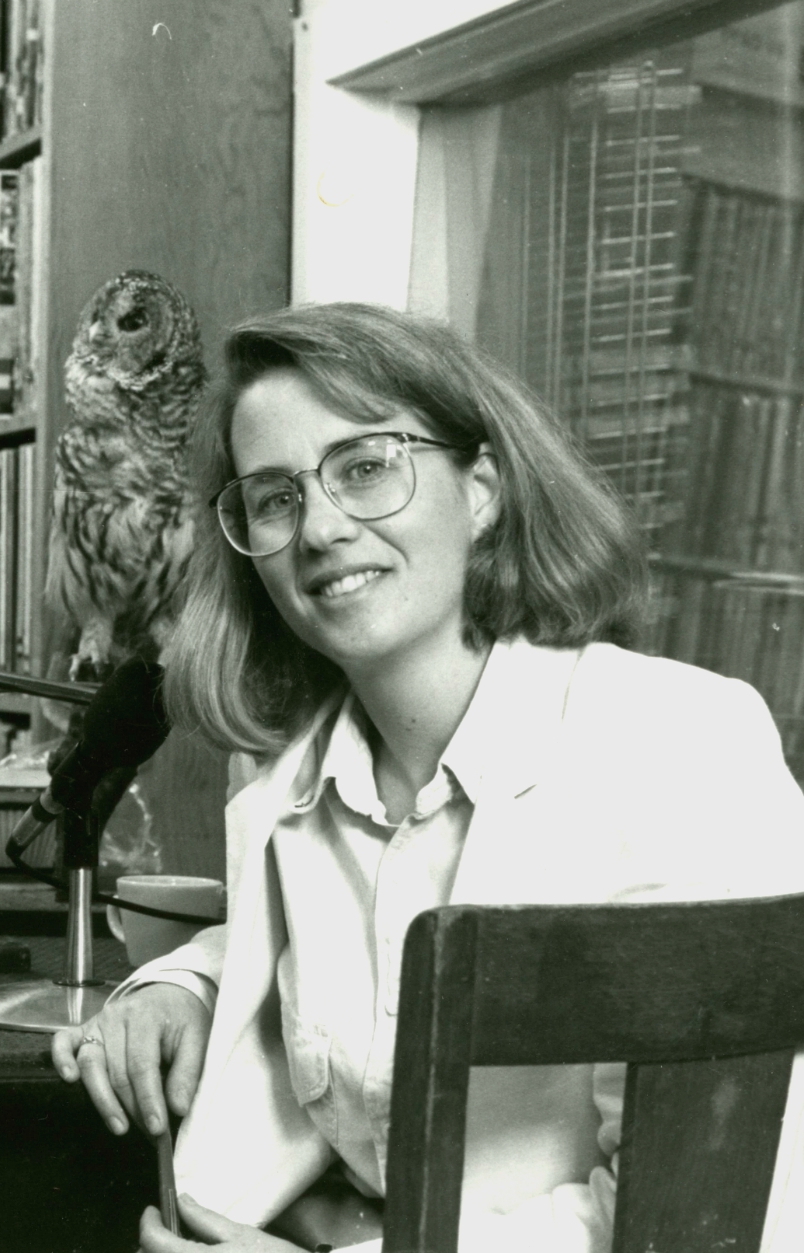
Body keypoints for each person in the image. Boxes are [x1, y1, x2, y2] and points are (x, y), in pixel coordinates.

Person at [49, 303, 804, 1252]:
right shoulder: (298, 796)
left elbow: (709, 1207)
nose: (320, 528)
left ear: (481, 487)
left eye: (365, 467)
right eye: (275, 498)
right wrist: (184, 985)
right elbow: (352, 948)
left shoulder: (680, 745)